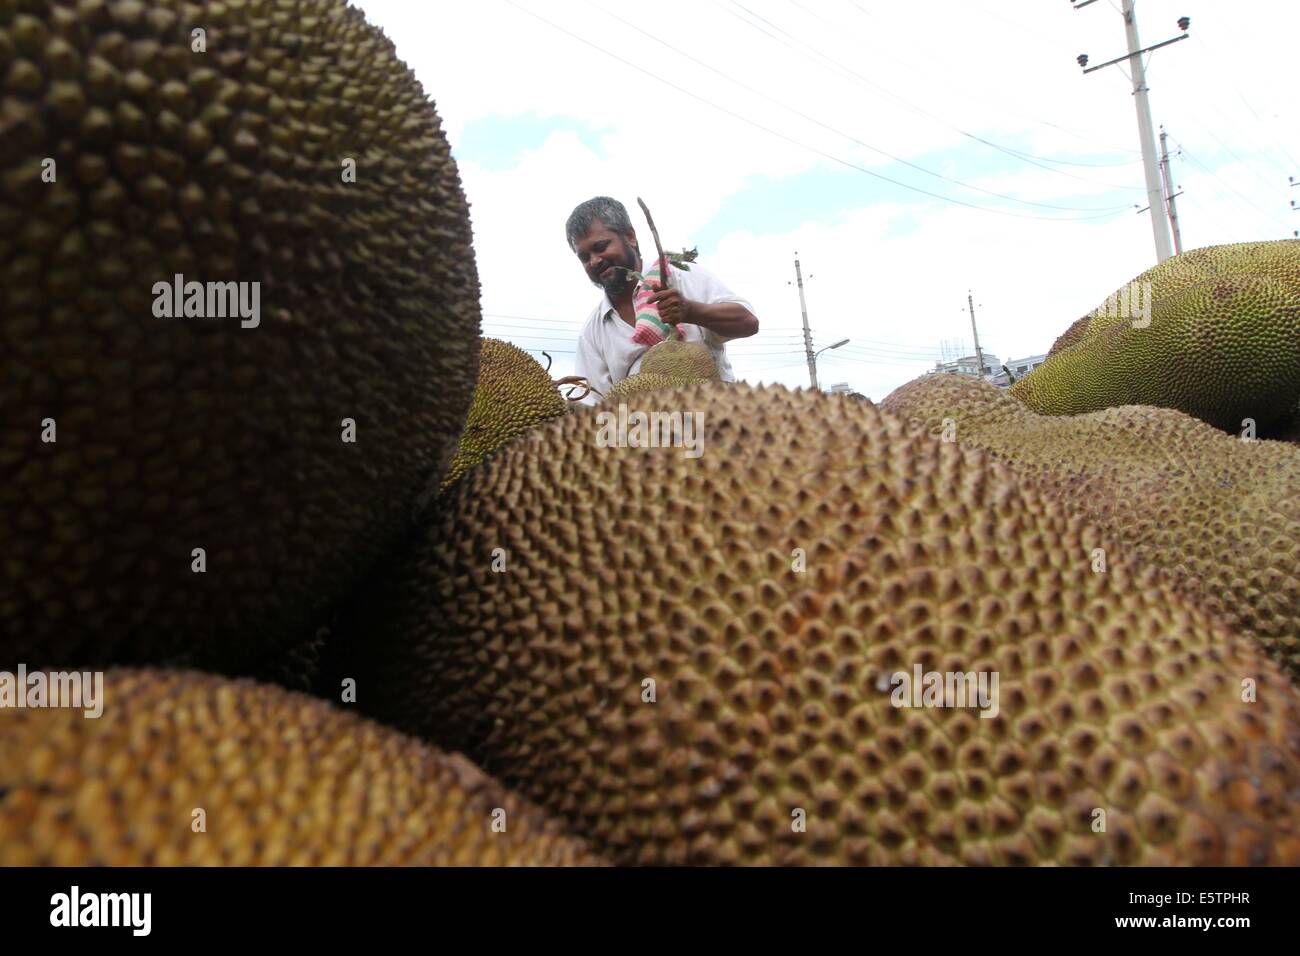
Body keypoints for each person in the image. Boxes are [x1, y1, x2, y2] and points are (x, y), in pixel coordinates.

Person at [566, 197, 759, 404]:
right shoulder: (593, 331)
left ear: (630, 237)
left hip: (716, 423)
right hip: (642, 432)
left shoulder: (680, 278)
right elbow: (594, 405)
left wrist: (691, 311)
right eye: (585, 258)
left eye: (601, 247)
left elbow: (748, 323)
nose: (594, 261)